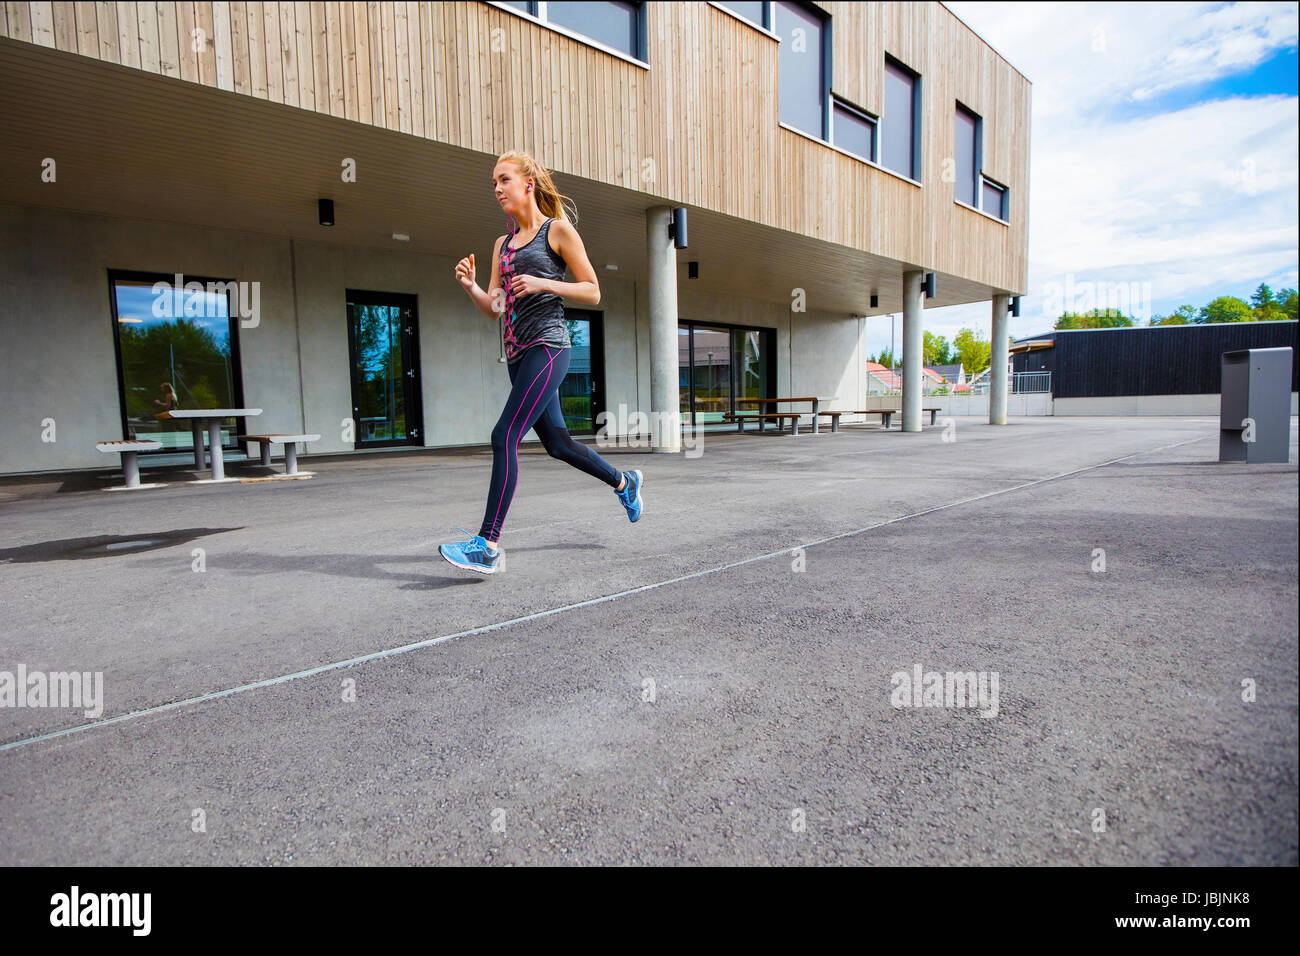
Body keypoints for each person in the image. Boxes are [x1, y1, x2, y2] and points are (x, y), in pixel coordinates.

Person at [440, 150, 642, 575]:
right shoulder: (502, 245)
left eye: (504, 180)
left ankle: (486, 546)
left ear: (527, 184)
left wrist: (543, 282)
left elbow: (592, 290)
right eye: (494, 183)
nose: (497, 189)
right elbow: (495, 307)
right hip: (517, 354)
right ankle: (625, 483)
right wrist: (471, 286)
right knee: (559, 445)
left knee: (504, 435)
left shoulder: (557, 232)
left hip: (549, 348)